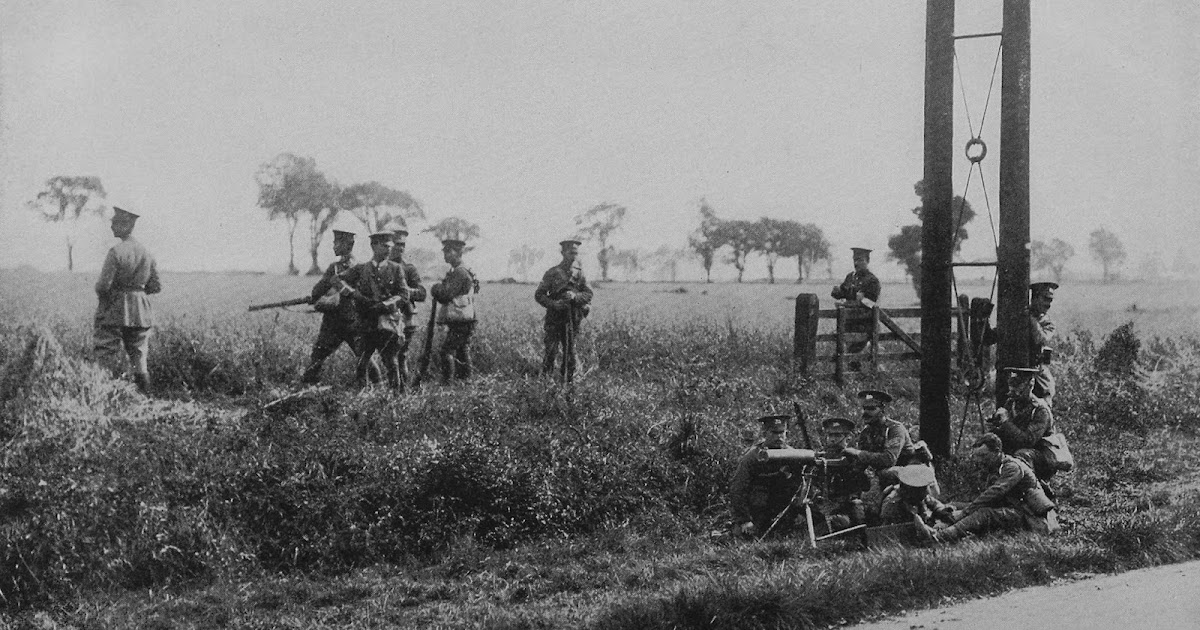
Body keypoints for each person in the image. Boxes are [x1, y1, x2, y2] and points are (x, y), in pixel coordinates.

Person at [915, 433, 1058, 544]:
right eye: (977, 456)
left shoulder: (1012, 467)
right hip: (1010, 508)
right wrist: (959, 508)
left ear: (997, 451)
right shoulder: (993, 468)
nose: (979, 460)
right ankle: (932, 526)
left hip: (1028, 515)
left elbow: (994, 493)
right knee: (953, 505)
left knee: (983, 513)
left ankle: (937, 537)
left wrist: (964, 512)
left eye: (983, 455)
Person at [93, 205, 161, 394]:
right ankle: (145, 401)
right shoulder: (147, 252)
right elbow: (156, 286)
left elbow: (102, 287)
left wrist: (110, 299)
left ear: (126, 225)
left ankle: (104, 396)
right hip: (141, 311)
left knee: (105, 353)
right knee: (140, 357)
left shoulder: (116, 252)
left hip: (115, 309)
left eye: (115, 222)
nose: (112, 226)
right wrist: (137, 291)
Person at [300, 230, 379, 385]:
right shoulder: (361, 266)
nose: (333, 246)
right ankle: (379, 384)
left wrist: (314, 298)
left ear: (347, 245)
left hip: (333, 321)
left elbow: (318, 290)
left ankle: (306, 386)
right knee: (364, 355)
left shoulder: (335, 268)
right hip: (354, 320)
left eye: (336, 242)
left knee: (318, 356)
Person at [340, 231, 412, 391]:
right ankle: (363, 395)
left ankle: (397, 397)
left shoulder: (396, 269)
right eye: (384, 246)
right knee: (362, 361)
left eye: (390, 246)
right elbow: (338, 280)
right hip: (366, 322)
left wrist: (386, 304)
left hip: (387, 322)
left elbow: (404, 294)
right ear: (374, 246)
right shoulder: (361, 269)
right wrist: (352, 293)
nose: (388, 249)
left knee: (391, 361)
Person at [841, 390, 917, 521]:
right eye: (864, 408)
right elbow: (861, 463)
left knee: (886, 473)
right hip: (887, 478)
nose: (866, 413)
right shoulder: (867, 433)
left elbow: (889, 459)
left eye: (871, 408)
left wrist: (858, 453)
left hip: (913, 475)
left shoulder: (895, 429)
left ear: (882, 409)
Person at [729, 415, 806, 538]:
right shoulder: (752, 456)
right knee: (744, 535)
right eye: (774, 433)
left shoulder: (792, 455)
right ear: (765, 433)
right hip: (757, 512)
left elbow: (801, 485)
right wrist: (744, 520)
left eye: (782, 432)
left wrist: (800, 510)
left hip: (783, 511)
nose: (779, 437)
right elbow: (738, 489)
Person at [535, 239, 593, 382]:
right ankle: (545, 382)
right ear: (562, 253)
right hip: (554, 318)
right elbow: (539, 295)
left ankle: (568, 383)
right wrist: (554, 304)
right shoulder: (552, 273)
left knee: (570, 352)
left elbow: (589, 294)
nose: (573, 255)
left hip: (572, 318)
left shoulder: (580, 274)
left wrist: (575, 296)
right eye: (570, 252)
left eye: (576, 253)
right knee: (550, 351)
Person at [989, 367, 1058, 480]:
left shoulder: (1040, 410)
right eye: (1012, 385)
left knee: (1022, 455)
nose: (1012, 391)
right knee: (988, 445)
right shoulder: (1011, 403)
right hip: (1017, 450)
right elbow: (1006, 432)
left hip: (1041, 457)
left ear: (1030, 385)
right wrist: (995, 428)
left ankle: (1033, 487)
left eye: (1018, 386)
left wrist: (1006, 422)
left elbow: (1027, 441)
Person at [430, 239, 478, 383]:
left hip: (461, 320)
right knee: (462, 349)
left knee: (447, 351)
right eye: (444, 251)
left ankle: (448, 382)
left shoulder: (459, 272)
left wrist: (435, 288)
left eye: (448, 251)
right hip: (464, 318)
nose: (445, 255)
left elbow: (445, 295)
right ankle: (466, 380)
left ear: (458, 253)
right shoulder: (462, 270)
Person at [812, 417, 870, 534]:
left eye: (838, 436)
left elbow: (863, 487)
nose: (833, 440)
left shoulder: (854, 458)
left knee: (850, 516)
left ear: (848, 438)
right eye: (830, 436)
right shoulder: (820, 457)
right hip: (823, 504)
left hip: (846, 505)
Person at [388, 227, 427, 384]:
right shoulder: (381, 267)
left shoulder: (409, 268)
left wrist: (404, 292)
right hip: (386, 317)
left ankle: (401, 390)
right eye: (397, 244)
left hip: (406, 317)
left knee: (400, 355)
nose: (400, 248)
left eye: (403, 244)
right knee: (390, 356)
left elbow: (422, 293)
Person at [831, 247, 881, 357]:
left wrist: (846, 303)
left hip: (864, 325)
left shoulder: (872, 281)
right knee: (848, 357)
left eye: (860, 260)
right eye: (854, 260)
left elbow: (869, 303)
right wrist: (837, 292)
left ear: (867, 261)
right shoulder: (850, 277)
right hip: (848, 324)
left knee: (856, 356)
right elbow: (842, 293)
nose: (856, 263)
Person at [879, 464, 953, 526]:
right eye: (923, 489)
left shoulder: (920, 497)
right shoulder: (893, 502)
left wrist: (942, 511)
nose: (926, 493)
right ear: (912, 490)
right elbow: (889, 528)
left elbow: (933, 503)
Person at [1029, 281, 1058, 405]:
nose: (1048, 304)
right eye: (1045, 299)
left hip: (1038, 373)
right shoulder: (1017, 317)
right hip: (1015, 373)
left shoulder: (1048, 323)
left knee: (1044, 408)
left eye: (1050, 300)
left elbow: (1041, 339)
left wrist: (1030, 319)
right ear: (1034, 298)